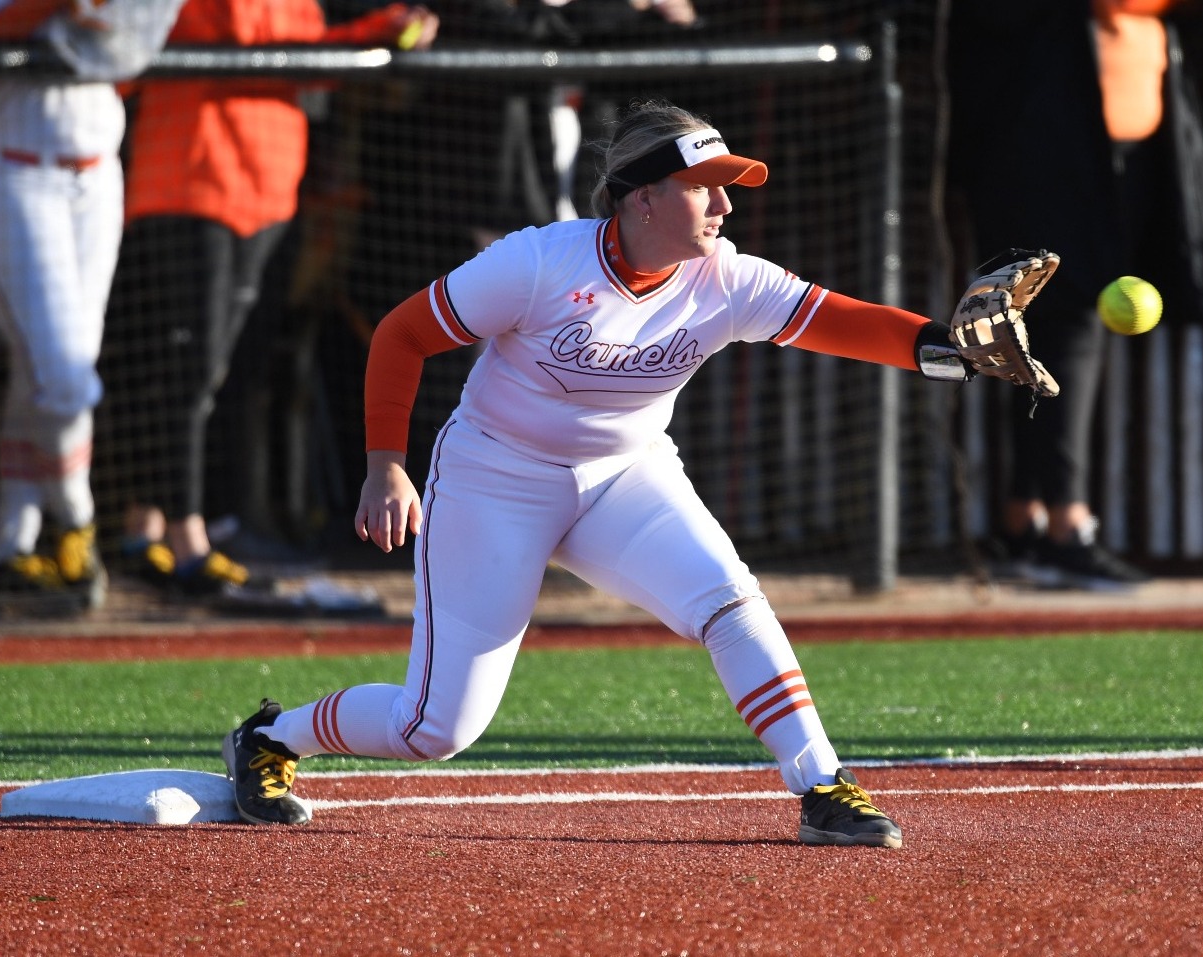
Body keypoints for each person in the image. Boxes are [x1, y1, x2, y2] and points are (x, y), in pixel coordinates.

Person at [220, 98, 1054, 845]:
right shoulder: (540, 262)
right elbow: (402, 334)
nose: (725, 204)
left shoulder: (725, 279)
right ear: (641, 196)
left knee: (729, 600)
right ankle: (272, 736)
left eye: (728, 187)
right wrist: (385, 467)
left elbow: (845, 323)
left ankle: (820, 785)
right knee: (433, 729)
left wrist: (950, 353)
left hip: (625, 472)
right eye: (706, 186)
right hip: (496, 477)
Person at [101, 0, 438, 598]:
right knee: (188, 369)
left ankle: (146, 527)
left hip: (266, 188)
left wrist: (379, 33)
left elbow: (302, 59)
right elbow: (250, 41)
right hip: (192, 182)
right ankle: (184, 540)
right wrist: (370, 31)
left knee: (218, 370)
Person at [949, 0, 1203, 590]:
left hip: (1127, 160)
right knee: (1058, 324)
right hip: (1043, 158)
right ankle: (1064, 527)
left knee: (1063, 332)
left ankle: (1027, 517)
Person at [0, 0, 184, 613]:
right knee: (64, 376)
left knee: (44, 377)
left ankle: (12, 543)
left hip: (98, 177)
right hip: (18, 177)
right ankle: (78, 524)